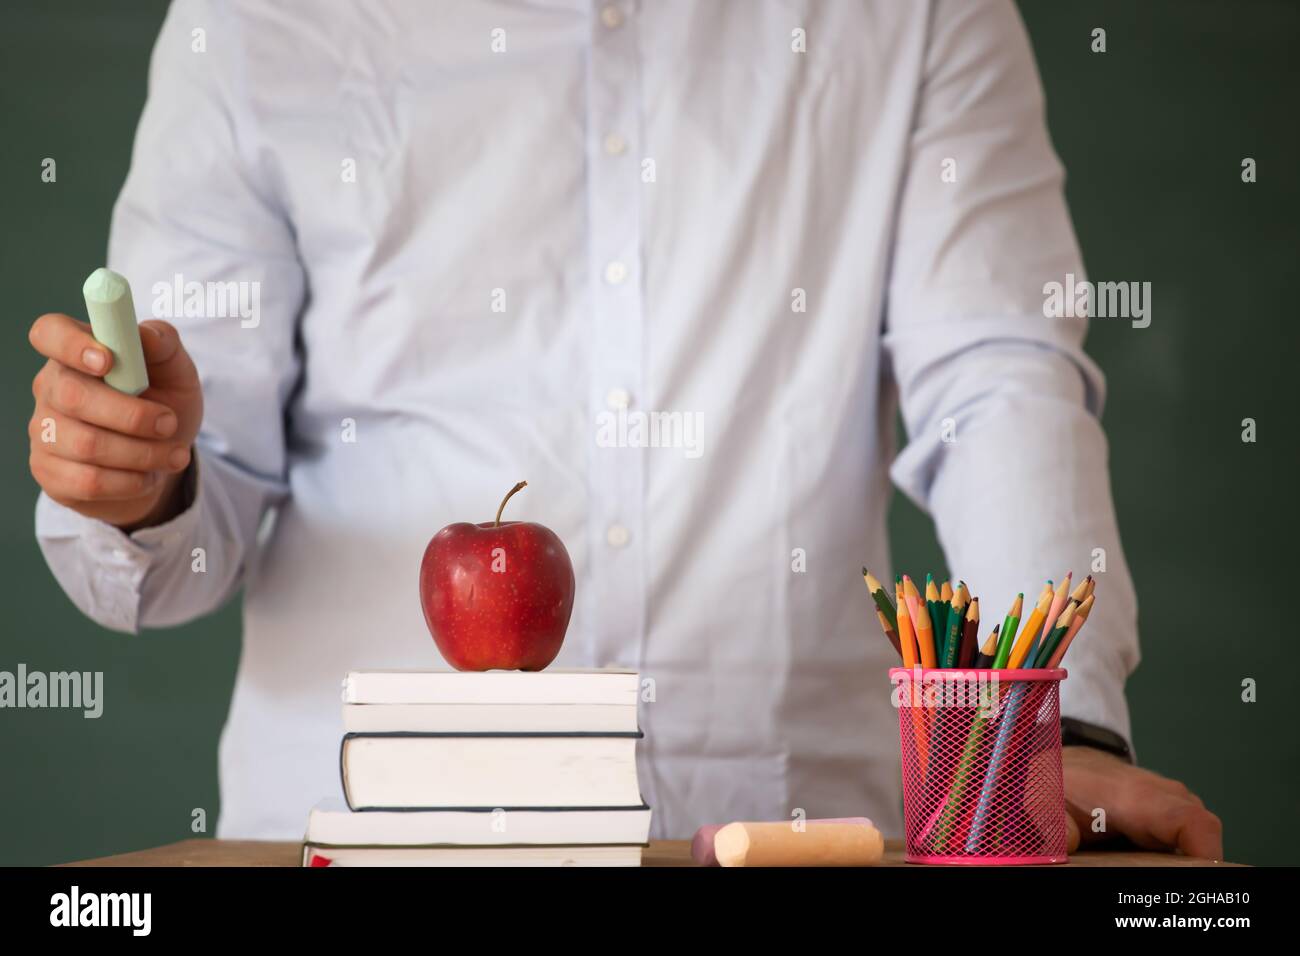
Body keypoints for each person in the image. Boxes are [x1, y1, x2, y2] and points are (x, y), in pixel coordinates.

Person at [27, 0, 1220, 856]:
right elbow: (192, 506)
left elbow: (997, 378)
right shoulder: (254, 23)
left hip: (793, 834)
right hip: (359, 836)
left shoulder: (915, 16)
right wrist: (144, 485)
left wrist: (1058, 726)